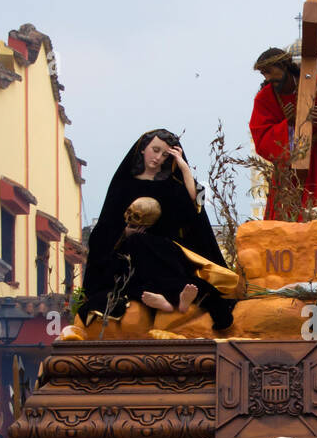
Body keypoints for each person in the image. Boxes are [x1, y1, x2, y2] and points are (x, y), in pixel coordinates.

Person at [79, 129, 235, 330]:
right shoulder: (124, 185)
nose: (158, 157)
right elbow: (106, 225)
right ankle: (172, 300)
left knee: (156, 254)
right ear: (143, 148)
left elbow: (195, 207)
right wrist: (124, 234)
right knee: (135, 247)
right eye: (155, 150)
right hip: (131, 252)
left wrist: (184, 168)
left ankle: (170, 300)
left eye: (164, 154)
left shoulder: (170, 186)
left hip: (163, 252)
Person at [249, 48, 317, 220]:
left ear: (283, 66)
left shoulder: (316, 84)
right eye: (263, 74)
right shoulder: (264, 98)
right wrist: (288, 126)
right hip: (290, 170)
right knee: (289, 221)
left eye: (269, 72)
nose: (267, 78)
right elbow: (261, 137)